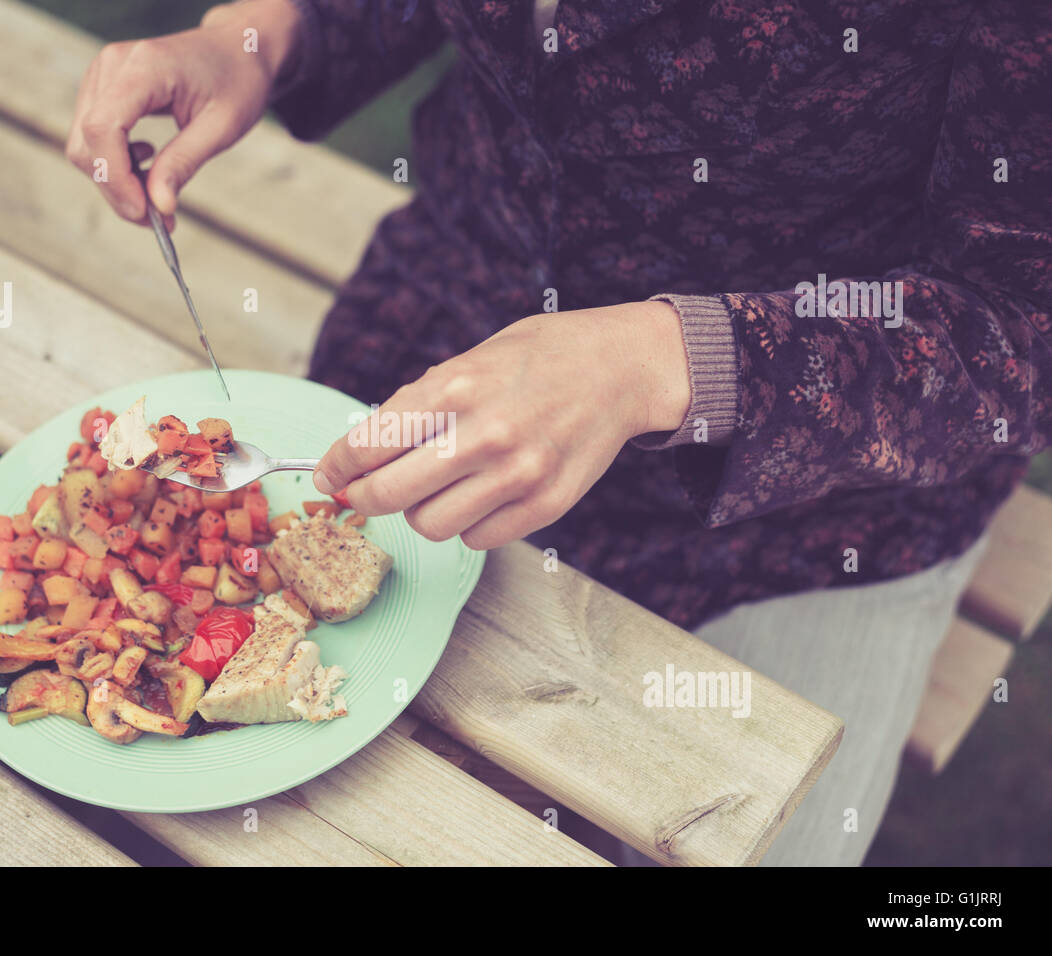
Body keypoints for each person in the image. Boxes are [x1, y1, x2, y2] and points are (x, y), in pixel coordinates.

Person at [67, 0, 1051, 864]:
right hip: (446, 322)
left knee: (746, 824)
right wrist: (260, 37)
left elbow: (1019, 323)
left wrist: (660, 361)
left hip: (806, 502)